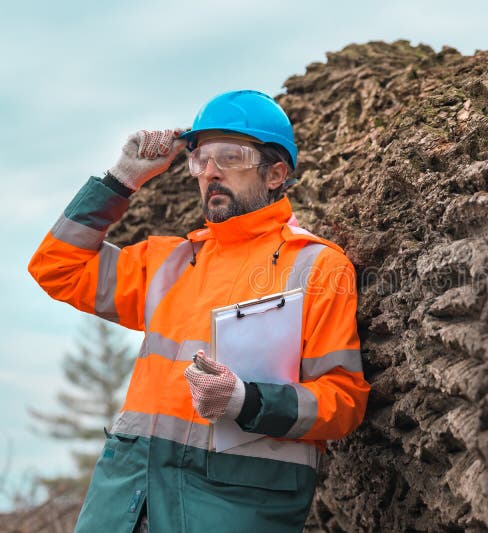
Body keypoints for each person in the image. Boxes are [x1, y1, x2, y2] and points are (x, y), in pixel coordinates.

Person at [28, 90, 370, 532]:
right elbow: (57, 267)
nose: (210, 171)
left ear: (276, 173)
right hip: (124, 499)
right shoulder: (169, 262)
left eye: (231, 156)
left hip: (230, 507)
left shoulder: (317, 267)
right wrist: (120, 180)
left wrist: (247, 401)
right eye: (201, 158)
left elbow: (344, 402)